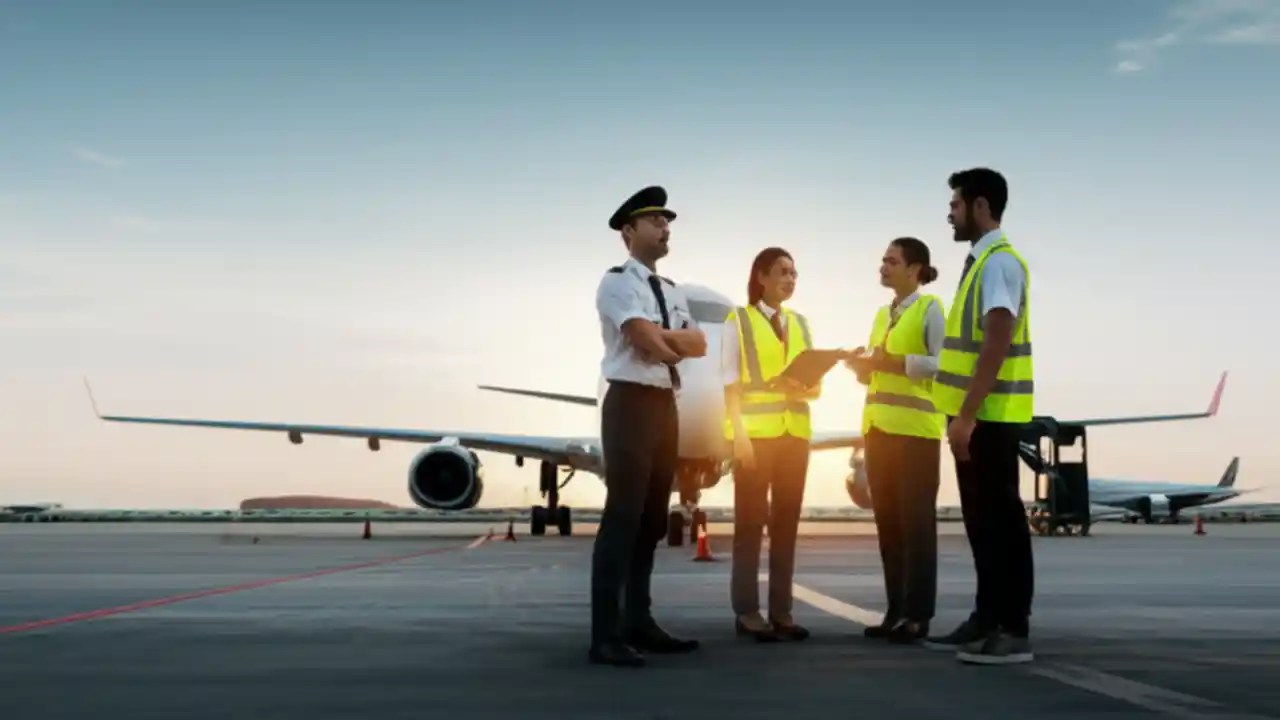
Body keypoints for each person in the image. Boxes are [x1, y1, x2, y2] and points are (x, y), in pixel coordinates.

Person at [590, 185, 707, 668]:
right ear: (629, 231)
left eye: (667, 222)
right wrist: (666, 339)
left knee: (653, 519)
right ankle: (605, 635)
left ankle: (639, 619)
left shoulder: (674, 290)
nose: (665, 228)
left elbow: (697, 344)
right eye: (655, 221)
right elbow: (643, 341)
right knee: (623, 516)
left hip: (665, 406)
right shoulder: (617, 282)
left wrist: (667, 338)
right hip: (630, 404)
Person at [923, 167, 1036, 665]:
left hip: (989, 417)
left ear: (981, 206)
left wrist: (966, 417)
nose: (949, 213)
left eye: (955, 204)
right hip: (974, 417)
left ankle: (1012, 628)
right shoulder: (979, 264)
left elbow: (997, 340)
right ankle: (986, 617)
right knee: (980, 524)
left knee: (1002, 522)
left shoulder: (999, 264)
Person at [846, 237, 946, 645]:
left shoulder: (931, 309)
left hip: (915, 434)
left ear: (914, 269)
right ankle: (895, 611)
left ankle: (918, 616)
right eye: (882, 260)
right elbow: (875, 373)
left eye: (891, 261)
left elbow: (943, 364)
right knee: (888, 526)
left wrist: (887, 363)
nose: (883, 267)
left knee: (916, 527)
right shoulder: (880, 315)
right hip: (879, 432)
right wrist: (860, 367)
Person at [722, 247, 821, 642]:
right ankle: (747, 611)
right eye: (783, 271)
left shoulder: (801, 323)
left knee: (786, 526)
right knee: (749, 525)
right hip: (755, 439)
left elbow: (815, 386)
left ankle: (782, 612)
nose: (791, 279)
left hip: (794, 436)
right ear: (760, 277)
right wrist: (738, 437)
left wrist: (805, 386)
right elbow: (729, 385)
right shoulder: (739, 321)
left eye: (795, 273)